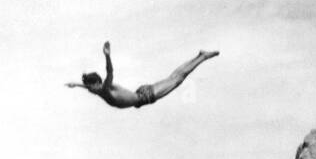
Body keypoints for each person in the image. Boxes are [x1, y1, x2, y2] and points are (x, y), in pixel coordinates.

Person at [66, 40, 218, 109]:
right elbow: (88, 87)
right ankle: (200, 56)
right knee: (173, 77)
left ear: (97, 84)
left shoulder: (104, 88)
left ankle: (202, 56)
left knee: (177, 79)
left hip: (145, 96)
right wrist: (77, 84)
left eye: (90, 87)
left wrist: (107, 56)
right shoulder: (98, 90)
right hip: (140, 96)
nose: (89, 90)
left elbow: (110, 72)